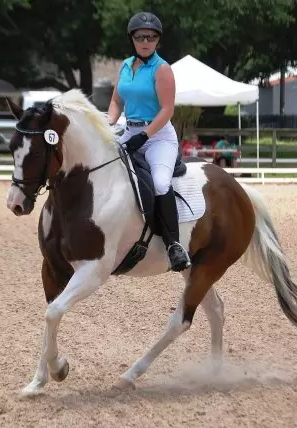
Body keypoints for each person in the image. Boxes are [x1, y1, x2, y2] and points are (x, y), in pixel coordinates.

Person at [107, 11, 191, 272]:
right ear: (132, 39)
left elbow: (167, 110)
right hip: (130, 131)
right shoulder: (125, 66)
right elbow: (116, 102)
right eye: (140, 37)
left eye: (151, 37)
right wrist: (108, 125)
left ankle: (174, 245)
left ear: (157, 41)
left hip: (158, 136)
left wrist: (144, 136)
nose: (146, 41)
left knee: (160, 182)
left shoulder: (162, 69)